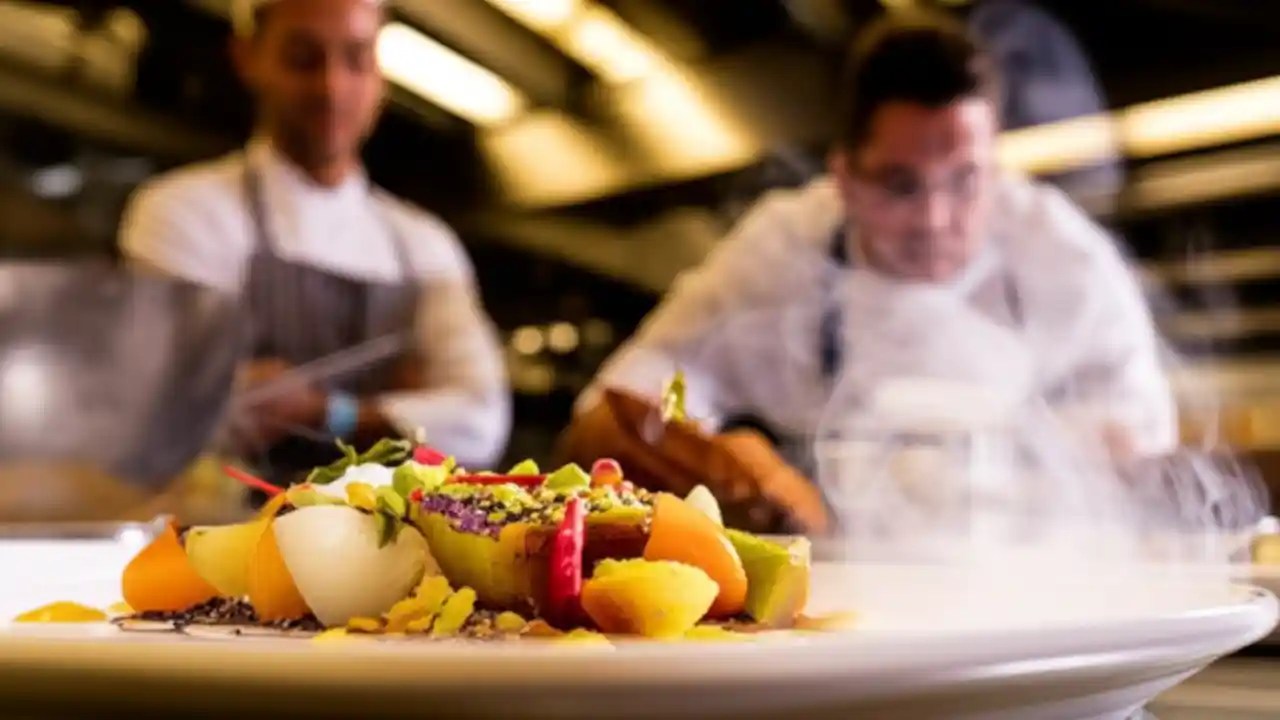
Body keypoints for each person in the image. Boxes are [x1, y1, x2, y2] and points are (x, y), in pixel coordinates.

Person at [559, 10, 1176, 533]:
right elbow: (629, 399)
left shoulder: (1061, 253)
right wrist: (705, 455)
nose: (935, 219)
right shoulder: (782, 247)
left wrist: (1067, 456)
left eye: (965, 180)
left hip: (1014, 557)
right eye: (899, 185)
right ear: (845, 178)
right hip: (831, 570)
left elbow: (1142, 426)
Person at [120, 0, 509, 480]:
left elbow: (481, 425)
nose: (332, 87)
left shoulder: (424, 244)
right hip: (218, 535)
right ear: (248, 58)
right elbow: (163, 413)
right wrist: (403, 409)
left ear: (380, 75)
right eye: (303, 59)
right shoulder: (182, 212)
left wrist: (324, 411)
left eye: (356, 58)